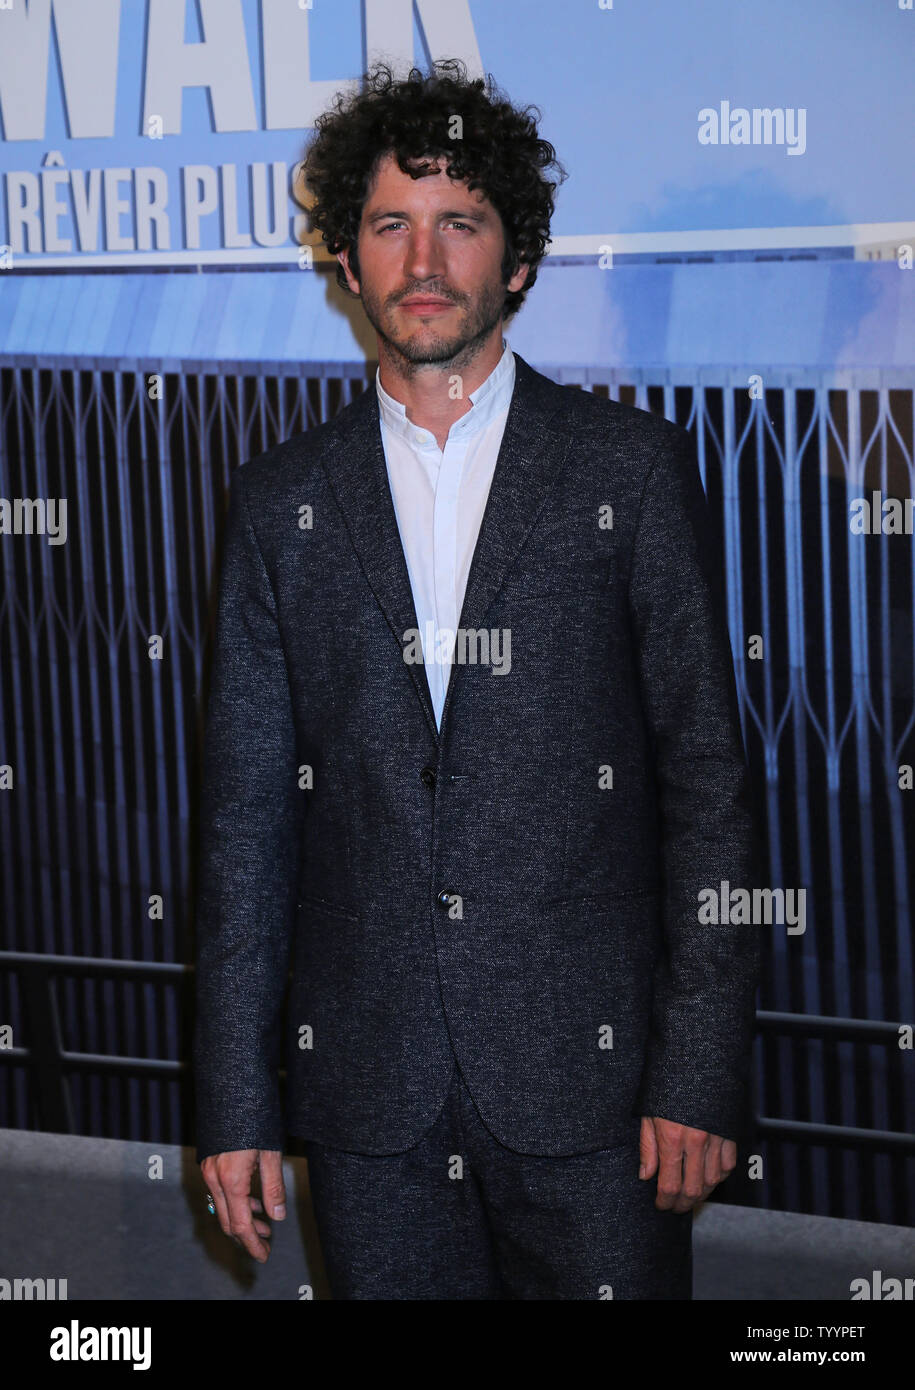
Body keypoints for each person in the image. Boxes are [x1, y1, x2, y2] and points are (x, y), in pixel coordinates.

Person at [194, 59, 763, 1300]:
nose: (424, 261)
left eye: (461, 223)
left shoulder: (632, 470)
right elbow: (246, 826)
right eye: (391, 225)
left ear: (516, 259)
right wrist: (236, 1096)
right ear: (347, 263)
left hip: (599, 1099)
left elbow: (708, 783)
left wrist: (699, 1070)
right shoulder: (281, 502)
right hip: (370, 1103)